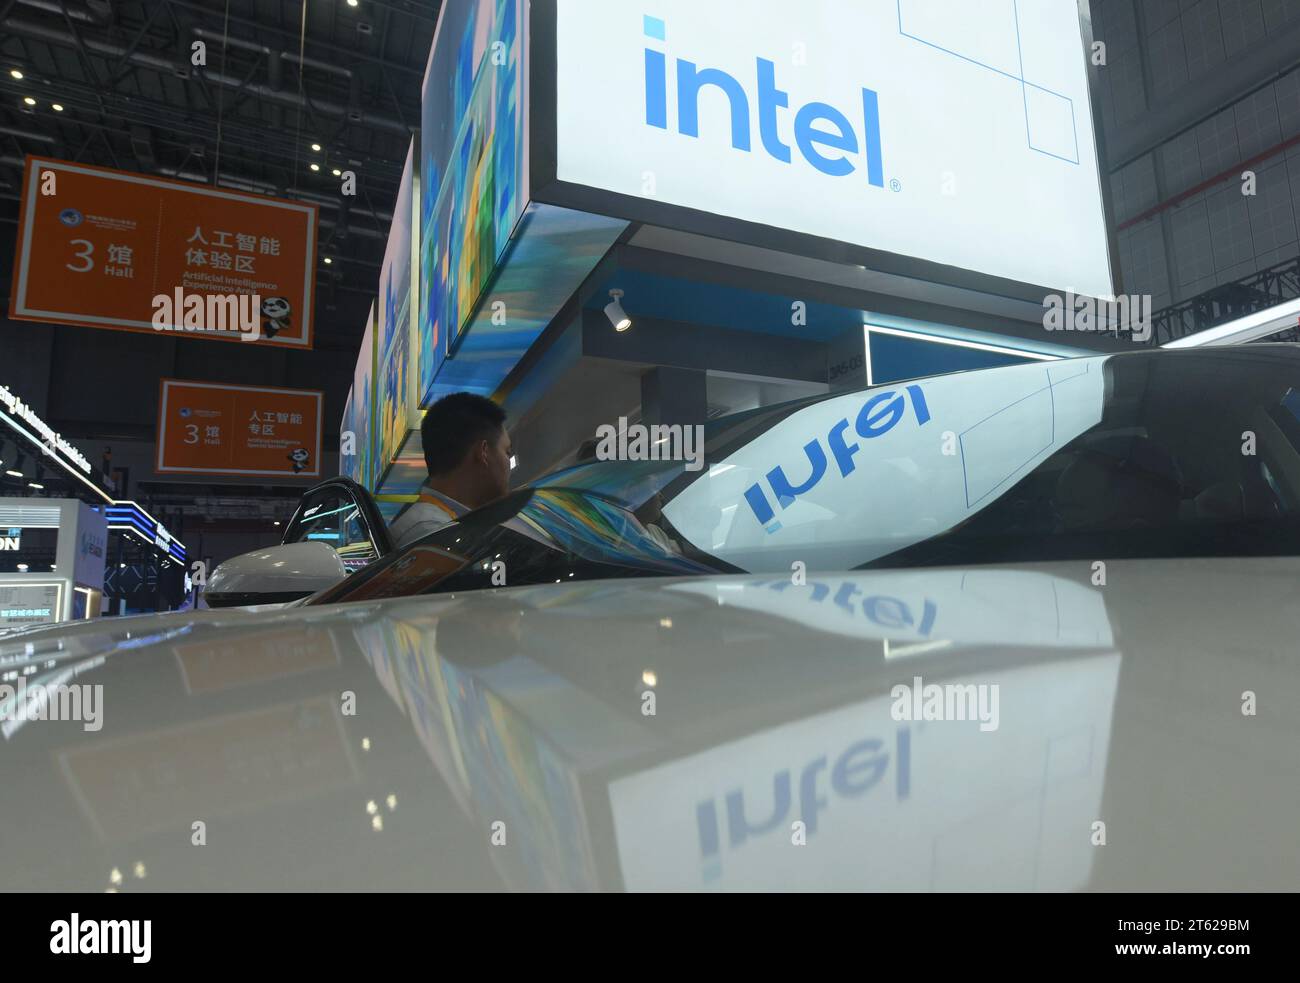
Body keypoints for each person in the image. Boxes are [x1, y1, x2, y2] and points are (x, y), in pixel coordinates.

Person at [388, 392, 514, 547]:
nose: (508, 463)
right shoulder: (433, 533)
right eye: (507, 452)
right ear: (484, 452)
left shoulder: (432, 525)